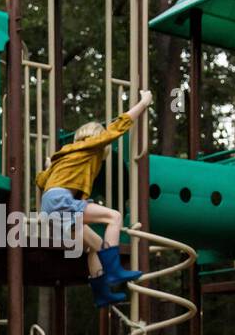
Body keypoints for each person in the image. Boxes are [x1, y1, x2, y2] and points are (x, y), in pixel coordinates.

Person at [35, 90, 152, 307]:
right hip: (61, 201)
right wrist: (144, 103)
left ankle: (101, 294)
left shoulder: (66, 153)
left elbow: (41, 181)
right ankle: (114, 270)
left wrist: (48, 167)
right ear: (95, 137)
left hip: (49, 206)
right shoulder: (90, 146)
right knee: (114, 217)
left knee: (95, 246)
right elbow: (119, 126)